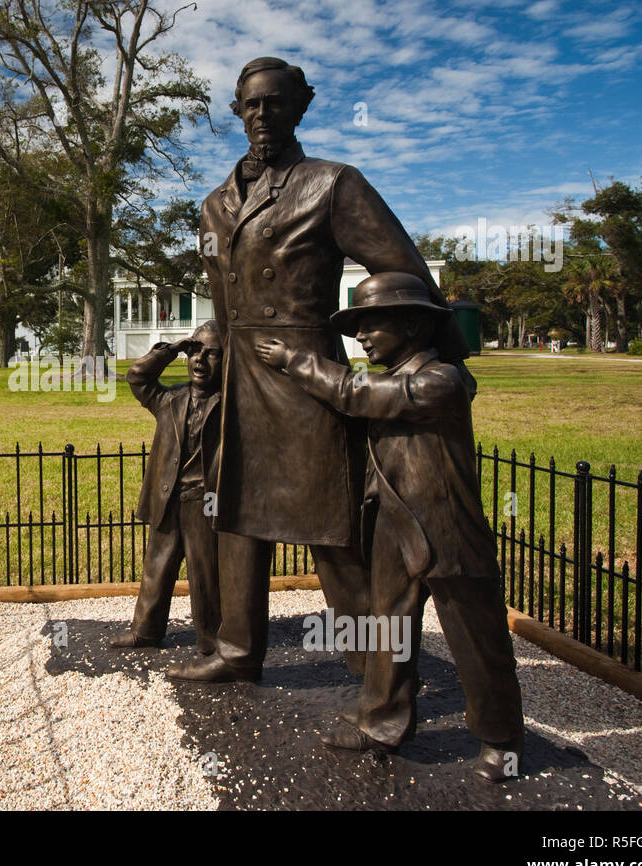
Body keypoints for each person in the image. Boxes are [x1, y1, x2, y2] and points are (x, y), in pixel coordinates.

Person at [170, 55, 476, 683]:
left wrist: (445, 359)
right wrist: (219, 369)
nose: (262, 114)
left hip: (306, 375)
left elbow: (407, 271)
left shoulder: (333, 184)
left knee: (333, 531)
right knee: (235, 517)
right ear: (237, 113)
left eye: (276, 102)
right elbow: (223, 307)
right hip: (241, 374)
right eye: (251, 104)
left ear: (302, 105)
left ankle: (377, 676)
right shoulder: (214, 205)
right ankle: (236, 647)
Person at [255, 272, 525, 783]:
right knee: (389, 625)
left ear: (412, 324)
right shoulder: (400, 374)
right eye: (356, 326)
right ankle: (382, 721)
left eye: (370, 324)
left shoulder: (439, 380)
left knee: (475, 635)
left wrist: (296, 361)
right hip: (393, 521)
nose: (360, 336)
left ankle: (501, 739)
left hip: (445, 527)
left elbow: (361, 394)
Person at [111, 322, 224, 656]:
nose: (201, 360)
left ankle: (211, 638)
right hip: (167, 496)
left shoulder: (232, 403)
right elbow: (137, 377)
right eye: (195, 351)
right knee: (156, 566)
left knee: (206, 572)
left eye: (213, 353)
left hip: (205, 501)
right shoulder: (168, 399)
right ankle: (145, 631)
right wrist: (171, 349)